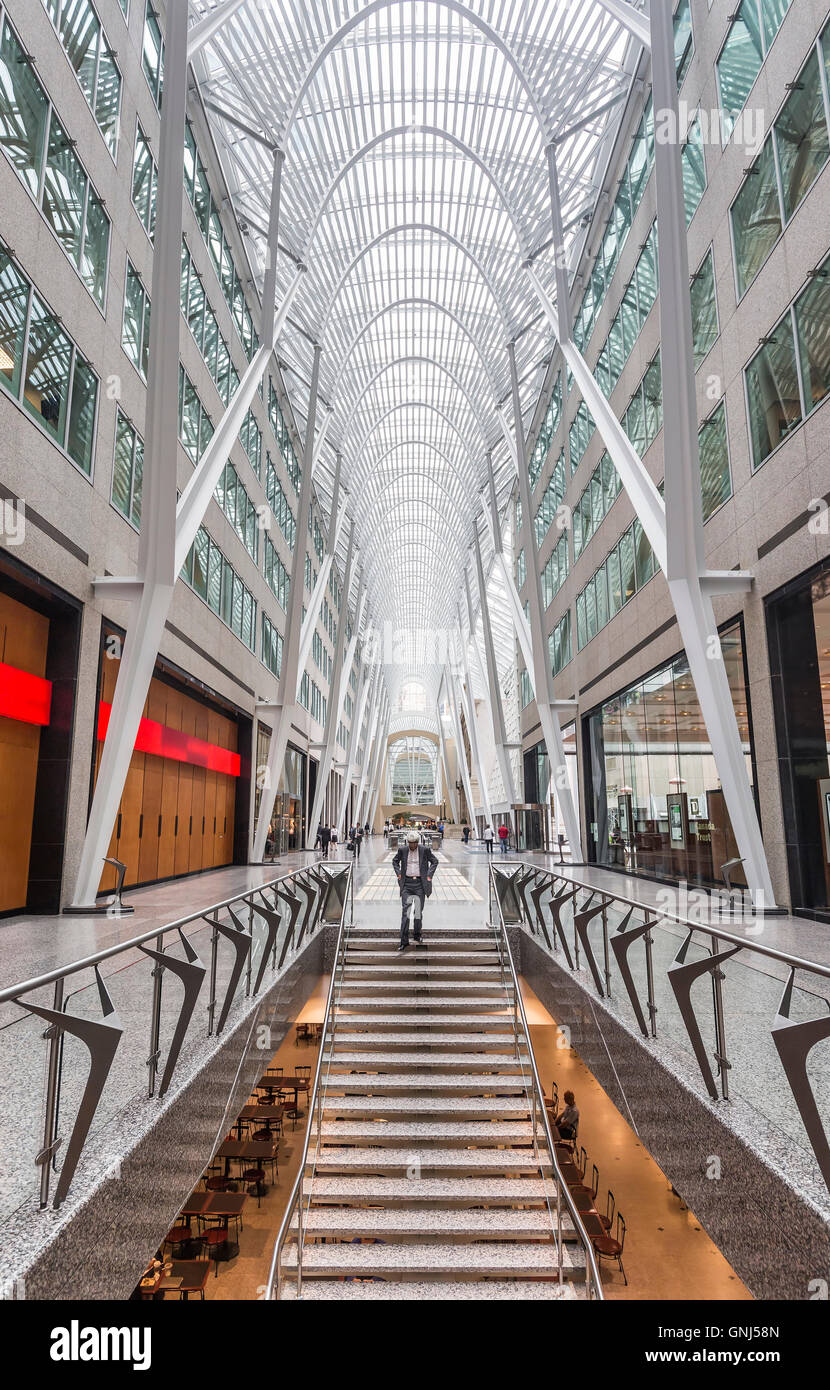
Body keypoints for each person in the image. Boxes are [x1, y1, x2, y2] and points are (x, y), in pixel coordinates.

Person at [392, 827, 438, 951]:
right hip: (406, 884)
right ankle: (404, 941)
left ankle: (417, 935)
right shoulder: (402, 850)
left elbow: (435, 861)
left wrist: (429, 876)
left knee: (417, 912)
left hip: (419, 885)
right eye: (410, 843)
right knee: (405, 913)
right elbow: (395, 861)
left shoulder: (424, 850)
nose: (412, 845)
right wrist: (399, 874)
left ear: (418, 842)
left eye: (414, 843)